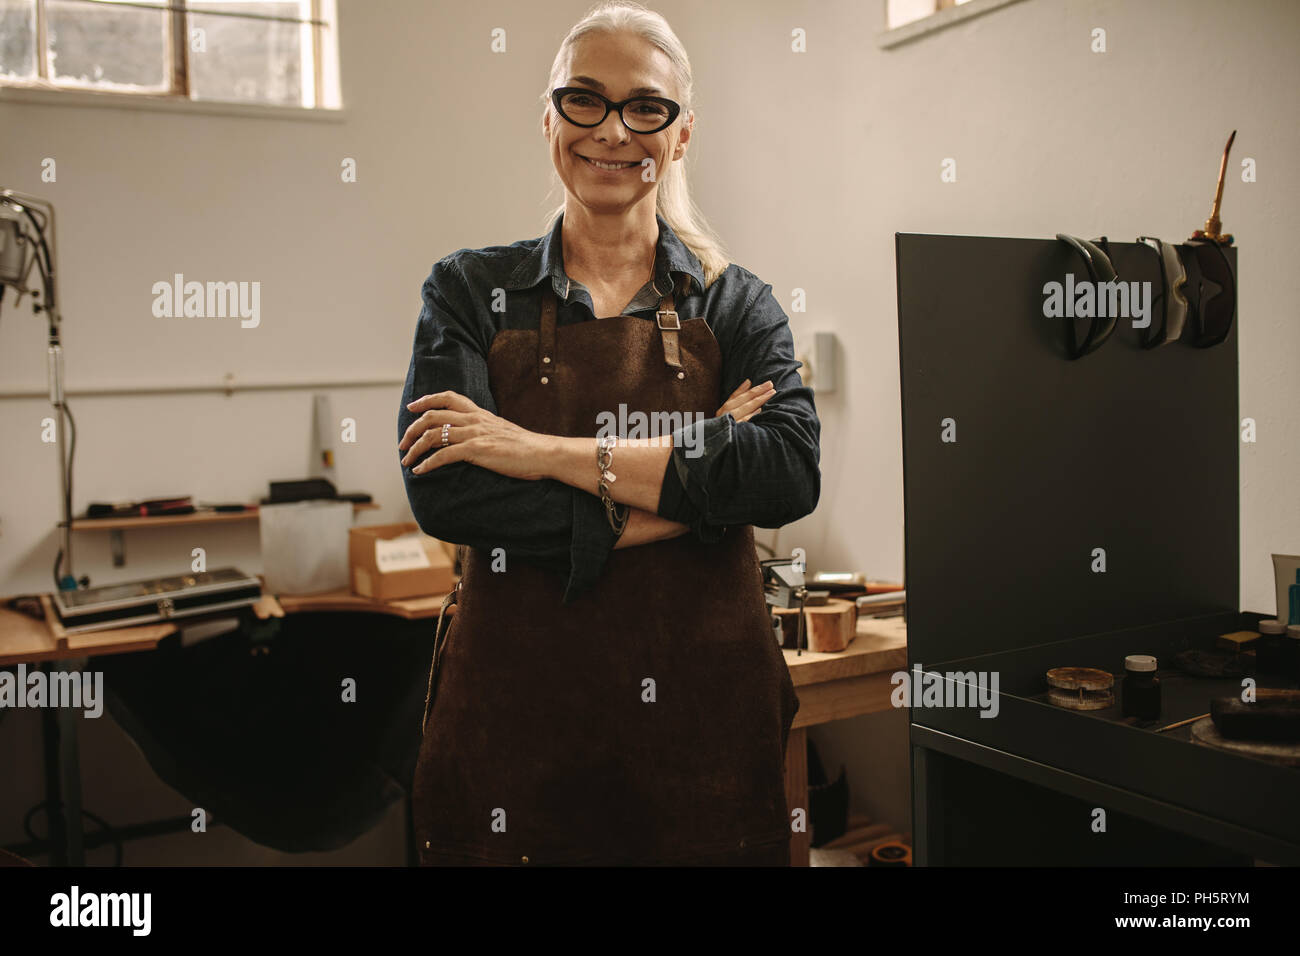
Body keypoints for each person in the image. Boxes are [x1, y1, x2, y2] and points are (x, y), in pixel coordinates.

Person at [397, 0, 821, 866]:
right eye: (585, 100)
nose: (614, 131)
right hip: (514, 736)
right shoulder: (470, 292)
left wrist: (542, 453)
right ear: (548, 117)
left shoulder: (736, 303)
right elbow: (448, 488)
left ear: (682, 132)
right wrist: (698, 490)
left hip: (706, 735)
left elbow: (787, 472)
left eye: (646, 106)